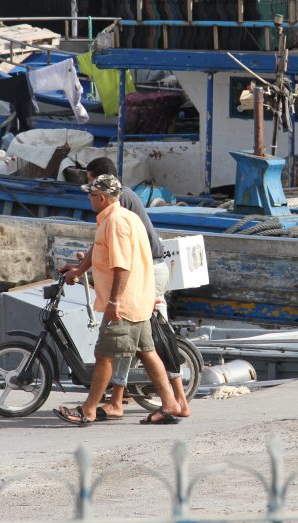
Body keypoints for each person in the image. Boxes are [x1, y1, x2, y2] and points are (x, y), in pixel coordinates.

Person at [61, 157, 191, 419]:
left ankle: (88, 410)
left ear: (103, 198)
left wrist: (114, 302)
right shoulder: (125, 217)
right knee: (148, 351)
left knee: (105, 355)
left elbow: (121, 266)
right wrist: (81, 270)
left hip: (125, 304)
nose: (90, 199)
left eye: (93, 195)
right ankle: (171, 404)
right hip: (139, 299)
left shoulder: (115, 222)